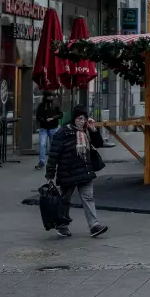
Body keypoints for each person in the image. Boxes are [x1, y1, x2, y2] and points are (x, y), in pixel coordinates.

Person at [45, 105, 108, 238]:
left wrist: (93, 129)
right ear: (74, 119)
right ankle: (62, 226)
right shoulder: (63, 132)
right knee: (65, 200)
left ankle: (94, 226)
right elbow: (54, 154)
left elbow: (98, 144)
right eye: (79, 118)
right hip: (67, 172)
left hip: (85, 171)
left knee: (88, 197)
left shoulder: (86, 131)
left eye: (84, 119)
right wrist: (50, 174)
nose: (82, 121)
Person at [35, 92, 63, 171]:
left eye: (51, 96)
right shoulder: (42, 105)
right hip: (44, 128)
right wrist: (43, 120)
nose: (51, 97)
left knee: (51, 145)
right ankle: (42, 161)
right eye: (49, 96)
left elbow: (61, 114)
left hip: (52, 127)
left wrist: (52, 118)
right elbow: (38, 116)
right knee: (43, 144)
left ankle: (52, 161)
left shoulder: (56, 105)